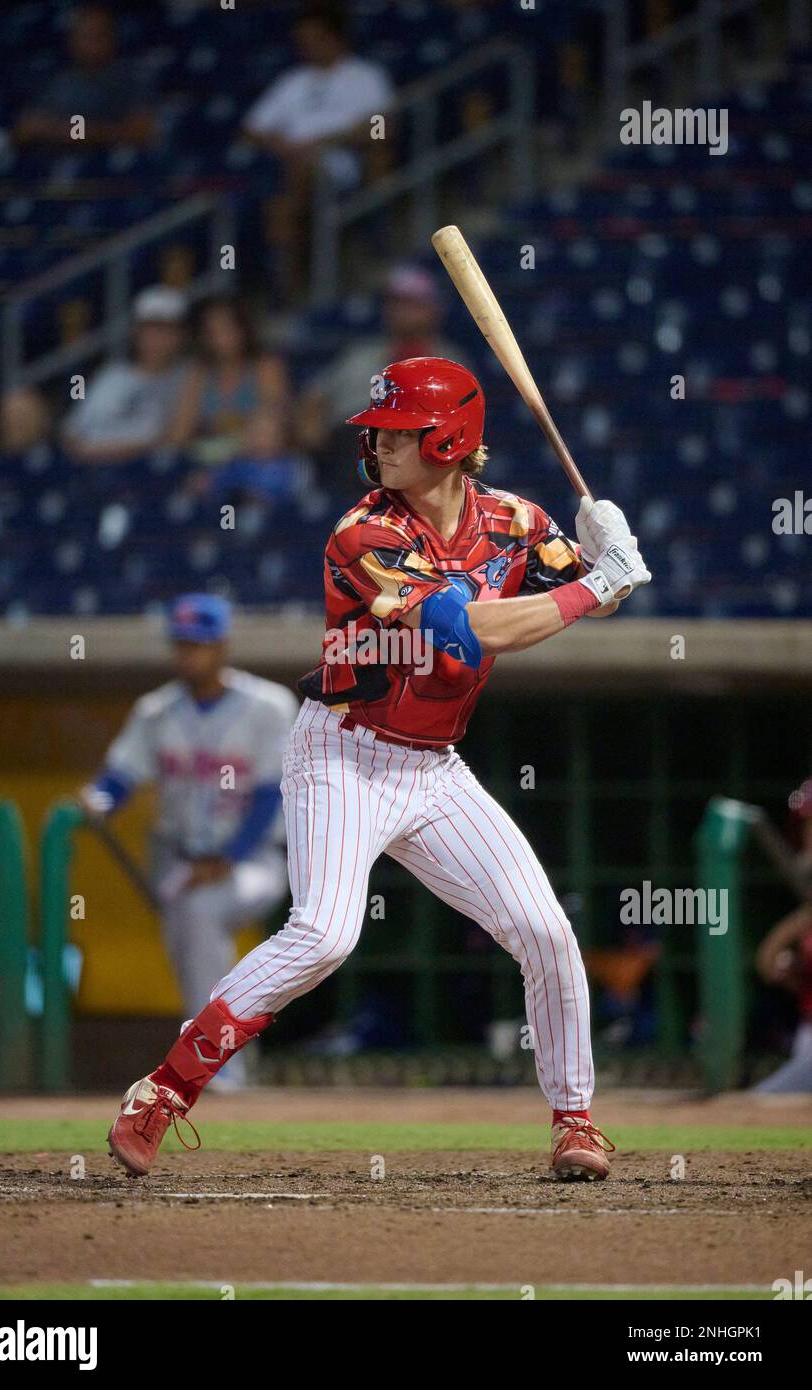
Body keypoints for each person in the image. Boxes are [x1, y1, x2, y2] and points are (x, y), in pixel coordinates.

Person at [107, 357, 651, 1178]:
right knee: (325, 935)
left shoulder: (516, 522)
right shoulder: (364, 531)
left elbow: (576, 590)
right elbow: (467, 632)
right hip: (342, 753)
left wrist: (608, 557)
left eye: (395, 433)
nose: (377, 445)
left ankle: (575, 1120)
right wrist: (593, 587)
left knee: (545, 930)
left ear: (448, 438)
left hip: (434, 769)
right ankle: (163, 1091)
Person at [82, 594, 297, 1092]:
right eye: (181, 645)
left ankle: (220, 1078)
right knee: (193, 952)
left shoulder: (268, 705)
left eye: (198, 645)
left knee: (200, 918)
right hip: (178, 861)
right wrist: (98, 799)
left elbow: (270, 794)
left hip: (253, 861)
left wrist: (227, 859)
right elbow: (120, 775)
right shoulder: (156, 711)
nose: (188, 656)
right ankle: (224, 1067)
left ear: (221, 646)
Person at [241, 2, 393, 298]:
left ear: (335, 38)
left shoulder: (364, 76)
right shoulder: (294, 80)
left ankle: (286, 272)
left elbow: (382, 127)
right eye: (302, 41)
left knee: (296, 174)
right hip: (289, 161)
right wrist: (284, 145)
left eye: (314, 39)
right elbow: (251, 129)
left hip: (343, 160)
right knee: (276, 177)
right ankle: (281, 259)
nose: (306, 47)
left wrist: (327, 141)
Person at [298, 265, 469, 492]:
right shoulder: (360, 354)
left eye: (413, 304)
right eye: (396, 303)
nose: (402, 311)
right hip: (350, 453)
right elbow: (315, 396)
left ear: (434, 308)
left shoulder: (451, 361)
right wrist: (311, 425)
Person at [62, 286, 188, 465]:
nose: (157, 338)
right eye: (150, 329)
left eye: (166, 330)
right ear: (136, 332)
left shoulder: (190, 376)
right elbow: (73, 432)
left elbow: (173, 439)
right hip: (92, 468)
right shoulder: (112, 373)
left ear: (180, 335)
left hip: (148, 470)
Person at [166, 297, 288, 471]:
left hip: (256, 456)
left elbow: (274, 416)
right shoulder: (199, 373)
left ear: (243, 330)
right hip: (208, 457)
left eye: (227, 329)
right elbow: (181, 432)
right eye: (212, 332)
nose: (221, 338)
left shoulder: (265, 365)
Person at [14, 3, 154, 149]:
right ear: (72, 40)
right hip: (58, 163)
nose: (92, 44)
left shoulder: (130, 78)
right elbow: (24, 130)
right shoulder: (59, 82)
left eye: (98, 36)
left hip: (112, 163)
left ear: (113, 38)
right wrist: (67, 132)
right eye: (85, 36)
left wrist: (83, 133)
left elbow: (142, 131)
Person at [753, 777, 812, 1094]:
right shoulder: (806, 912)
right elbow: (768, 964)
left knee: (753, 1106)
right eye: (808, 827)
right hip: (806, 1038)